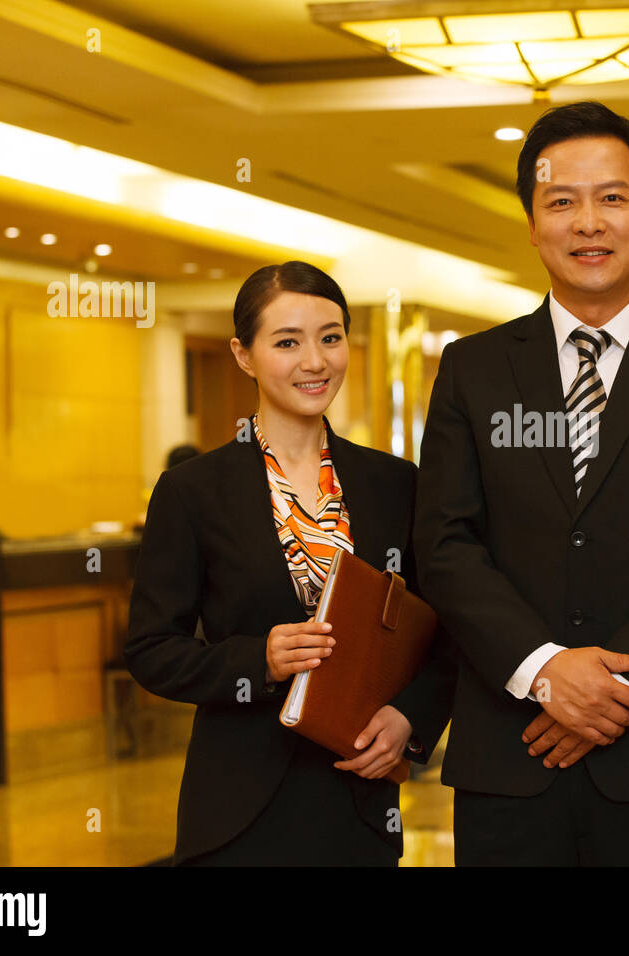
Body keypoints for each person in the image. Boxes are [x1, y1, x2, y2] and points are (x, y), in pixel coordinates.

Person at [414, 101, 629, 866]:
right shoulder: (474, 370)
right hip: (512, 761)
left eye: (611, 198)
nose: (589, 223)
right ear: (532, 223)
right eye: (561, 202)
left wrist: (609, 689)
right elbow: (443, 543)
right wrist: (542, 670)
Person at [126, 260, 454, 866]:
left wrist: (410, 721)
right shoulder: (192, 491)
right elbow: (150, 648)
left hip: (360, 795)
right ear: (243, 354)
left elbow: (445, 630)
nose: (315, 361)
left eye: (330, 338)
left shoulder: (395, 484)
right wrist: (260, 658)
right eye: (287, 342)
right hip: (238, 807)